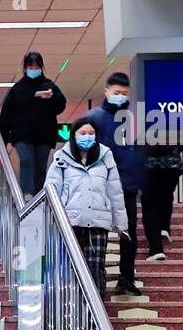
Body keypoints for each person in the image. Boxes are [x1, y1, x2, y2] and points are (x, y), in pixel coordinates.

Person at [46, 118, 127, 296]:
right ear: (73, 135)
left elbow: (115, 191)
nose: (87, 137)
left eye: (91, 133)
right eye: (83, 133)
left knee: (96, 269)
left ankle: (96, 317)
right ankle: (72, 310)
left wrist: (121, 224)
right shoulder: (61, 157)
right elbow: (51, 191)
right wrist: (50, 222)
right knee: (69, 268)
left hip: (98, 223)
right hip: (69, 223)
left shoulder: (106, 156)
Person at [83, 72, 144, 296]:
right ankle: (93, 279)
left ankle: (126, 278)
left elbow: (137, 148)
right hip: (100, 185)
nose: (120, 97)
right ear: (106, 91)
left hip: (126, 184)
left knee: (128, 234)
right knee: (97, 233)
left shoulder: (132, 117)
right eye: (116, 93)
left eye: (124, 94)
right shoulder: (95, 118)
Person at [0, 51, 67, 198]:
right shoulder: (17, 90)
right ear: (25, 68)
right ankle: (27, 194)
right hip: (22, 135)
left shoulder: (50, 87)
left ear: (41, 67)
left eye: (36, 66)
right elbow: (6, 116)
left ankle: (39, 196)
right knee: (27, 160)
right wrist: (1, 141)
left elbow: (60, 107)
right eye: (31, 66)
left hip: (44, 135)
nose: (33, 69)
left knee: (41, 167)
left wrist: (51, 97)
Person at [141, 139, 183, 262]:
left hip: (148, 165)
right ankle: (164, 228)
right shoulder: (175, 119)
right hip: (172, 164)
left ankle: (156, 249)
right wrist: (173, 149)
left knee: (150, 206)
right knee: (166, 197)